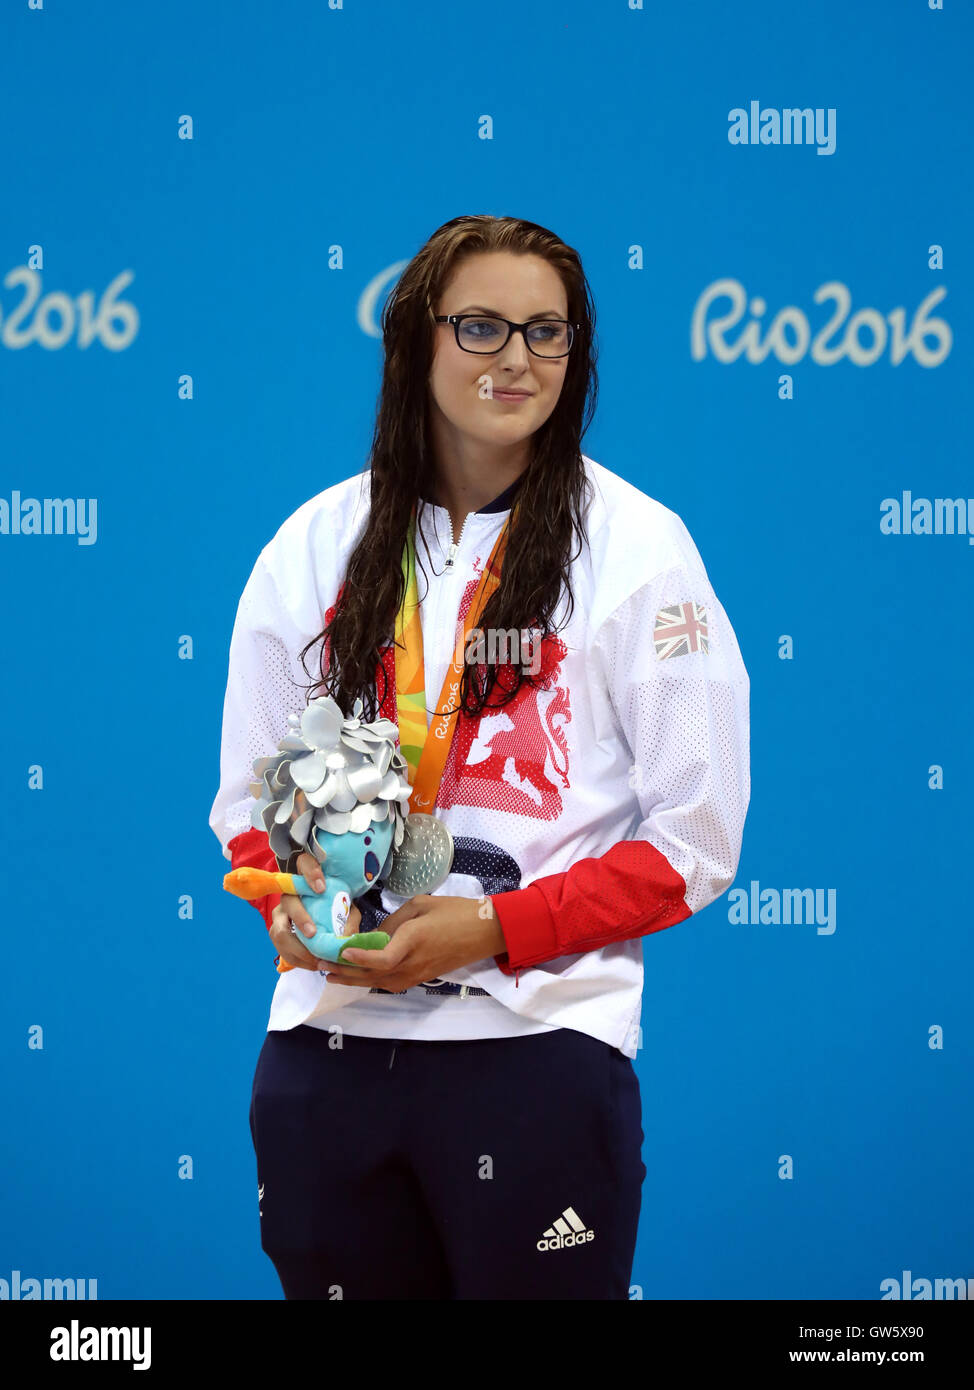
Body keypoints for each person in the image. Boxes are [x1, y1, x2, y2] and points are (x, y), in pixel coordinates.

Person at [208, 213, 750, 1301]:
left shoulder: (639, 548)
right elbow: (246, 797)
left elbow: (692, 844)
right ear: (413, 341)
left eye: (546, 333)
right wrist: (291, 897)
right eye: (481, 327)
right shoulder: (313, 542)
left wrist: (497, 928)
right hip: (330, 1053)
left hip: (536, 1056)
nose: (515, 359)